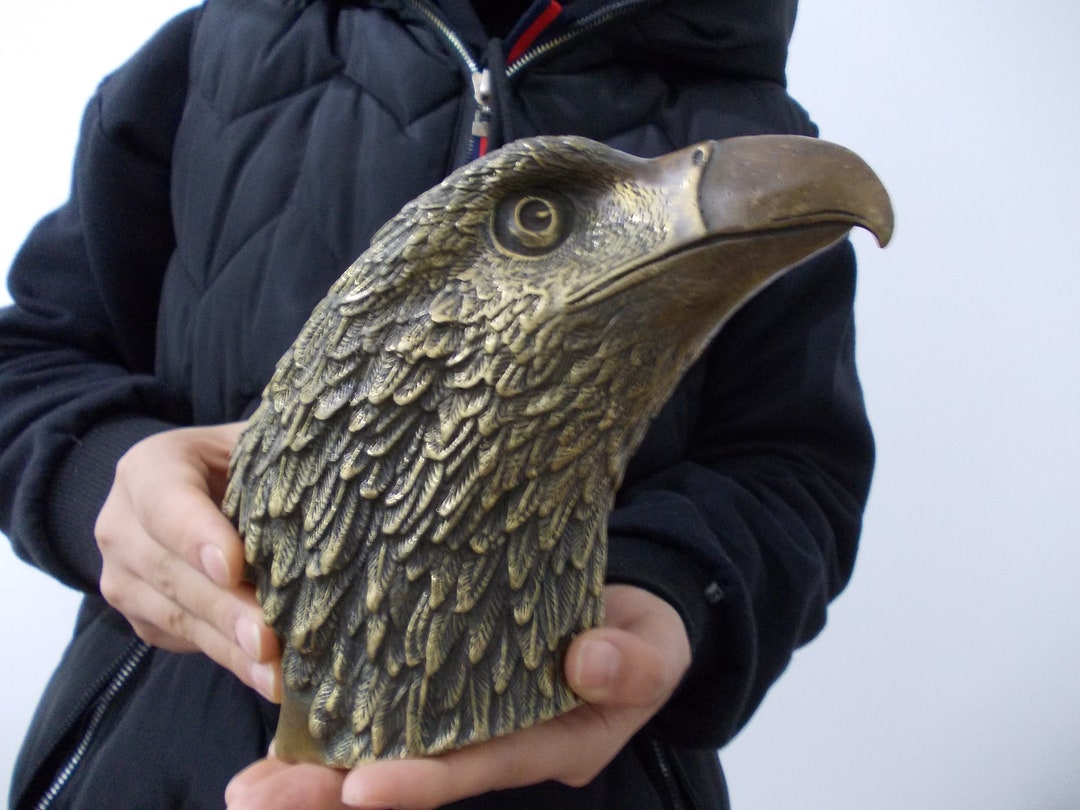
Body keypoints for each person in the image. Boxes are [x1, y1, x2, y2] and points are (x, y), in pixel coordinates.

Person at [0, 0, 875, 807]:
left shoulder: (738, 125)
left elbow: (794, 473)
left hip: (588, 769)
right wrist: (99, 476)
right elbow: (29, 354)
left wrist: (676, 589)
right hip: (157, 756)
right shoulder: (218, 51)